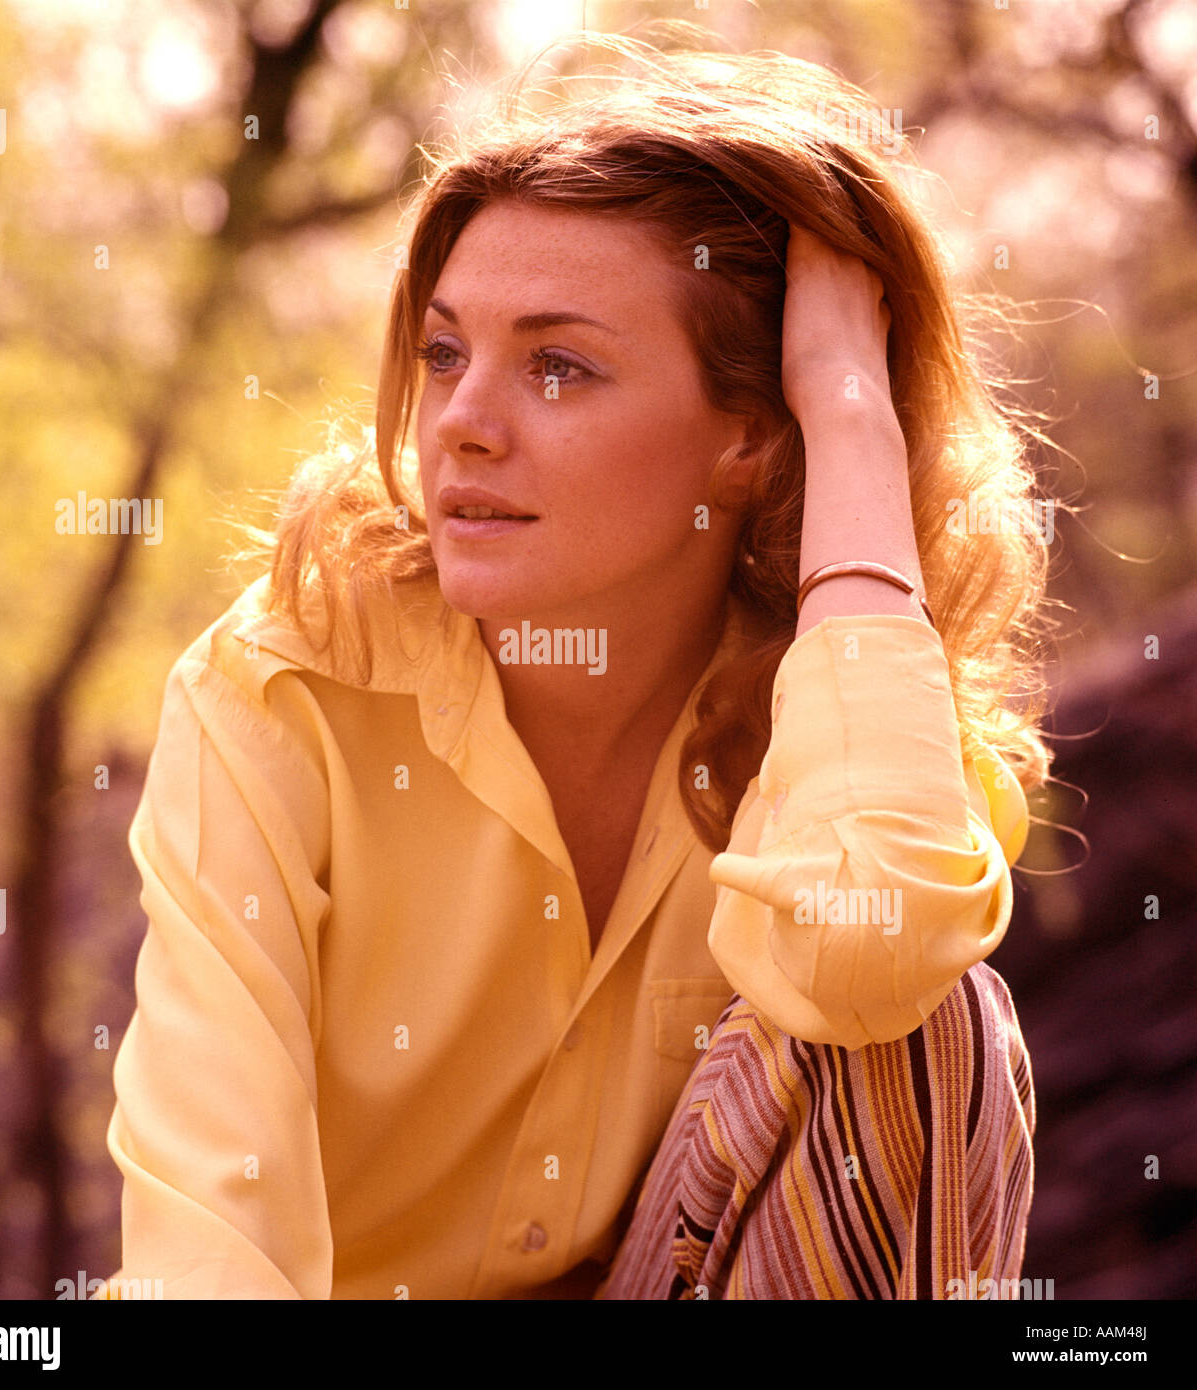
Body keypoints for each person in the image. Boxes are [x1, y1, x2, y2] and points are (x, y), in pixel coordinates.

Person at [97, 31, 1053, 1300]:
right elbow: (210, 1255)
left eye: (557, 365)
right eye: (444, 353)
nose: (462, 426)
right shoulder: (281, 694)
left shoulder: (845, 712)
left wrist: (850, 414)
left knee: (932, 1029)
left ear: (749, 441)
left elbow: (872, 961)